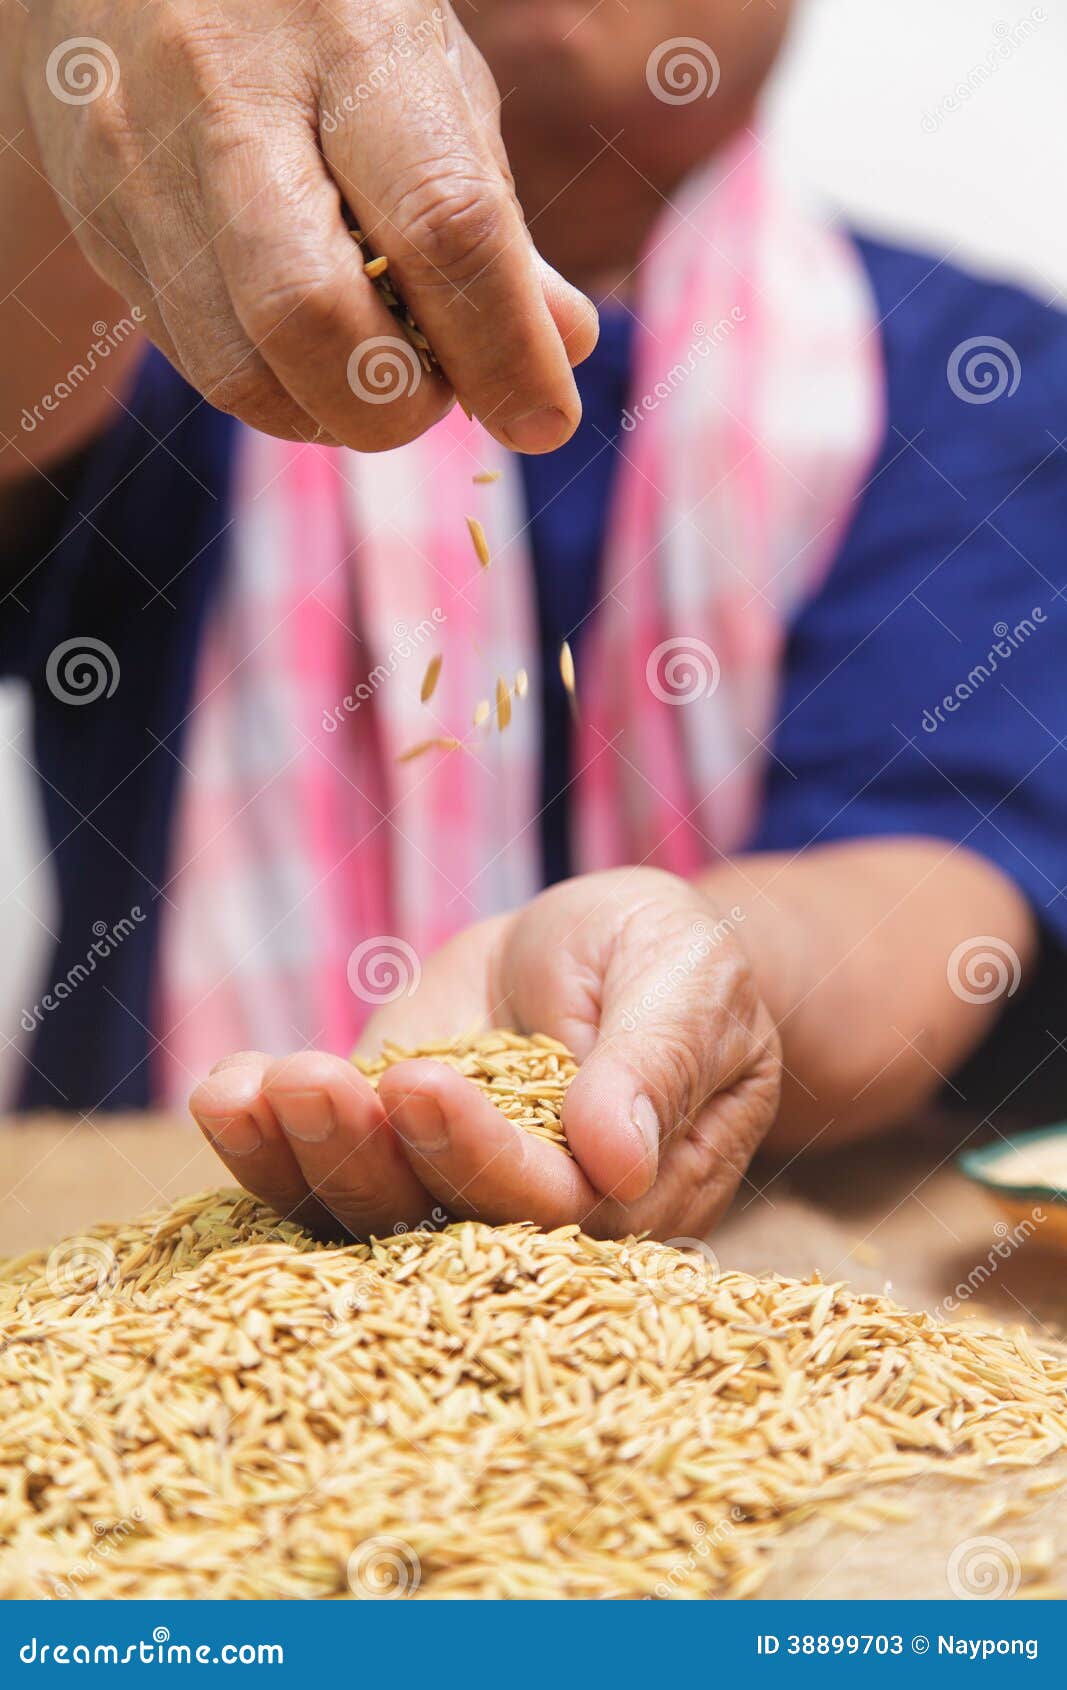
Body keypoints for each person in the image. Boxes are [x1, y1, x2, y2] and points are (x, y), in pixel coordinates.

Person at [3, 1, 1067, 1242]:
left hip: (742, 1277)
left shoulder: (966, 366)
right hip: (147, 1248)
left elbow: (944, 872)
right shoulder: (161, 322)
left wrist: (709, 966)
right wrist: (55, 86)